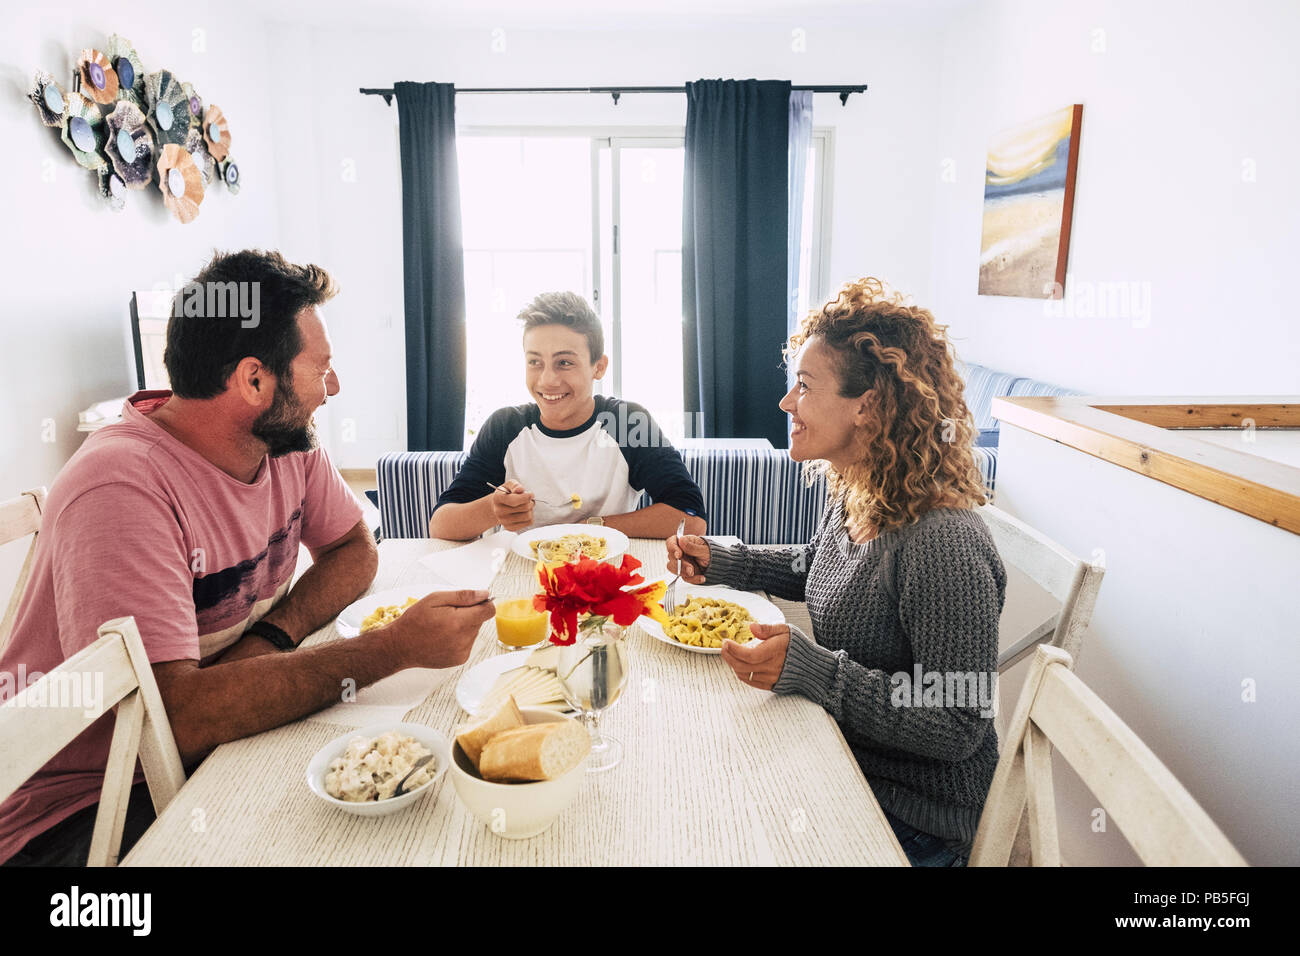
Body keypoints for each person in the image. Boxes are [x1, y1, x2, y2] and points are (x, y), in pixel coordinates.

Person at [0, 250, 494, 866]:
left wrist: (266, 641)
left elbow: (352, 550)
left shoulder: (282, 440)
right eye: (323, 369)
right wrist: (393, 647)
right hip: (89, 808)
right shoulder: (122, 486)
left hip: (201, 744)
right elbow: (174, 721)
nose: (333, 388)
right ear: (255, 380)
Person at [667, 277, 1005, 867]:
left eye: (804, 386)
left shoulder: (942, 542)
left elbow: (958, 723)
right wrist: (730, 560)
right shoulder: (859, 488)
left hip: (914, 816)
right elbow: (822, 569)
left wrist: (816, 672)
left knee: (716, 825)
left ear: (866, 405)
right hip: (844, 751)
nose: (786, 404)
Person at [429, 291, 707, 541]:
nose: (547, 380)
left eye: (564, 363)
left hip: (605, 575)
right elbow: (440, 525)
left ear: (598, 367)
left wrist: (594, 526)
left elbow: (691, 519)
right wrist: (492, 508)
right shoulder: (504, 427)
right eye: (535, 362)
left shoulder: (627, 422)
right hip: (518, 575)